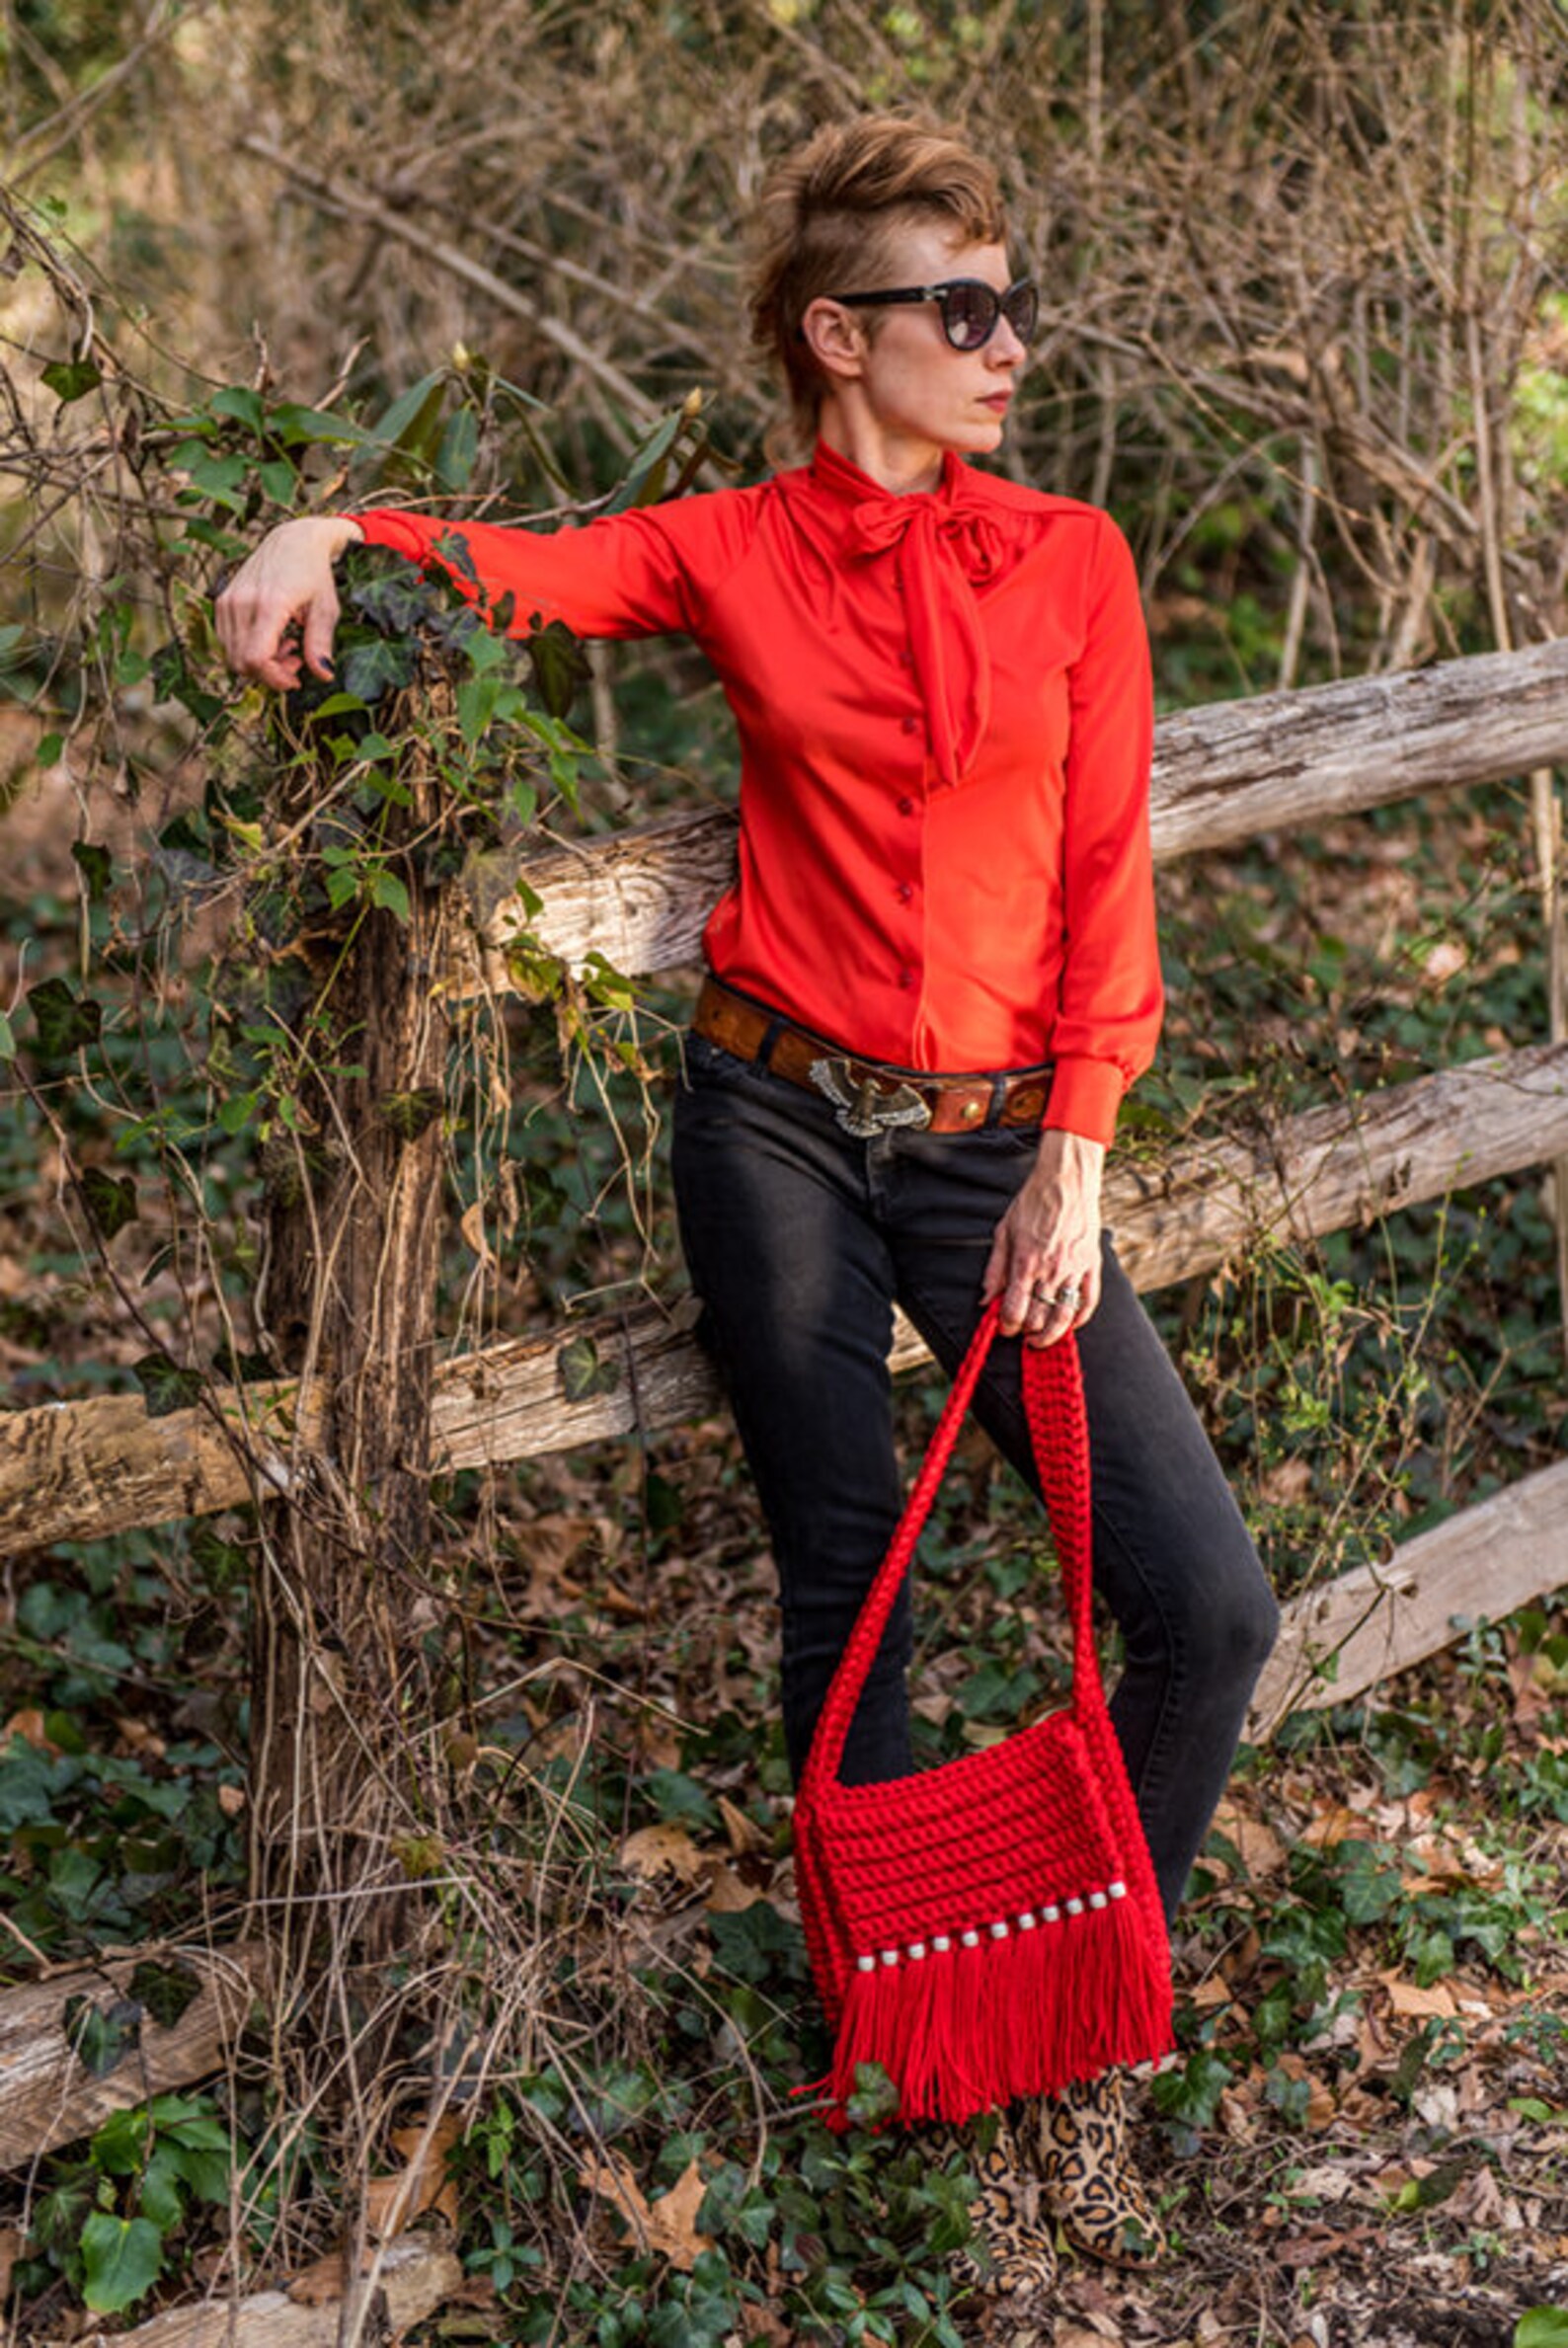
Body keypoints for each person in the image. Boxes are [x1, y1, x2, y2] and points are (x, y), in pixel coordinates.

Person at [216, 114, 1280, 2307]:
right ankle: (907, 2051)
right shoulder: (726, 547)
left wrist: (1073, 1143)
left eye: (1010, 306)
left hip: (1004, 1143)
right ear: (835, 335)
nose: (1004, 348)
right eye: (955, 312)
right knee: (848, 1589)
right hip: (776, 1123)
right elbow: (506, 567)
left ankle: (1069, 2036)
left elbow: (1102, 873)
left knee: (1202, 1602)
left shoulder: (1068, 554)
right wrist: (326, 523)